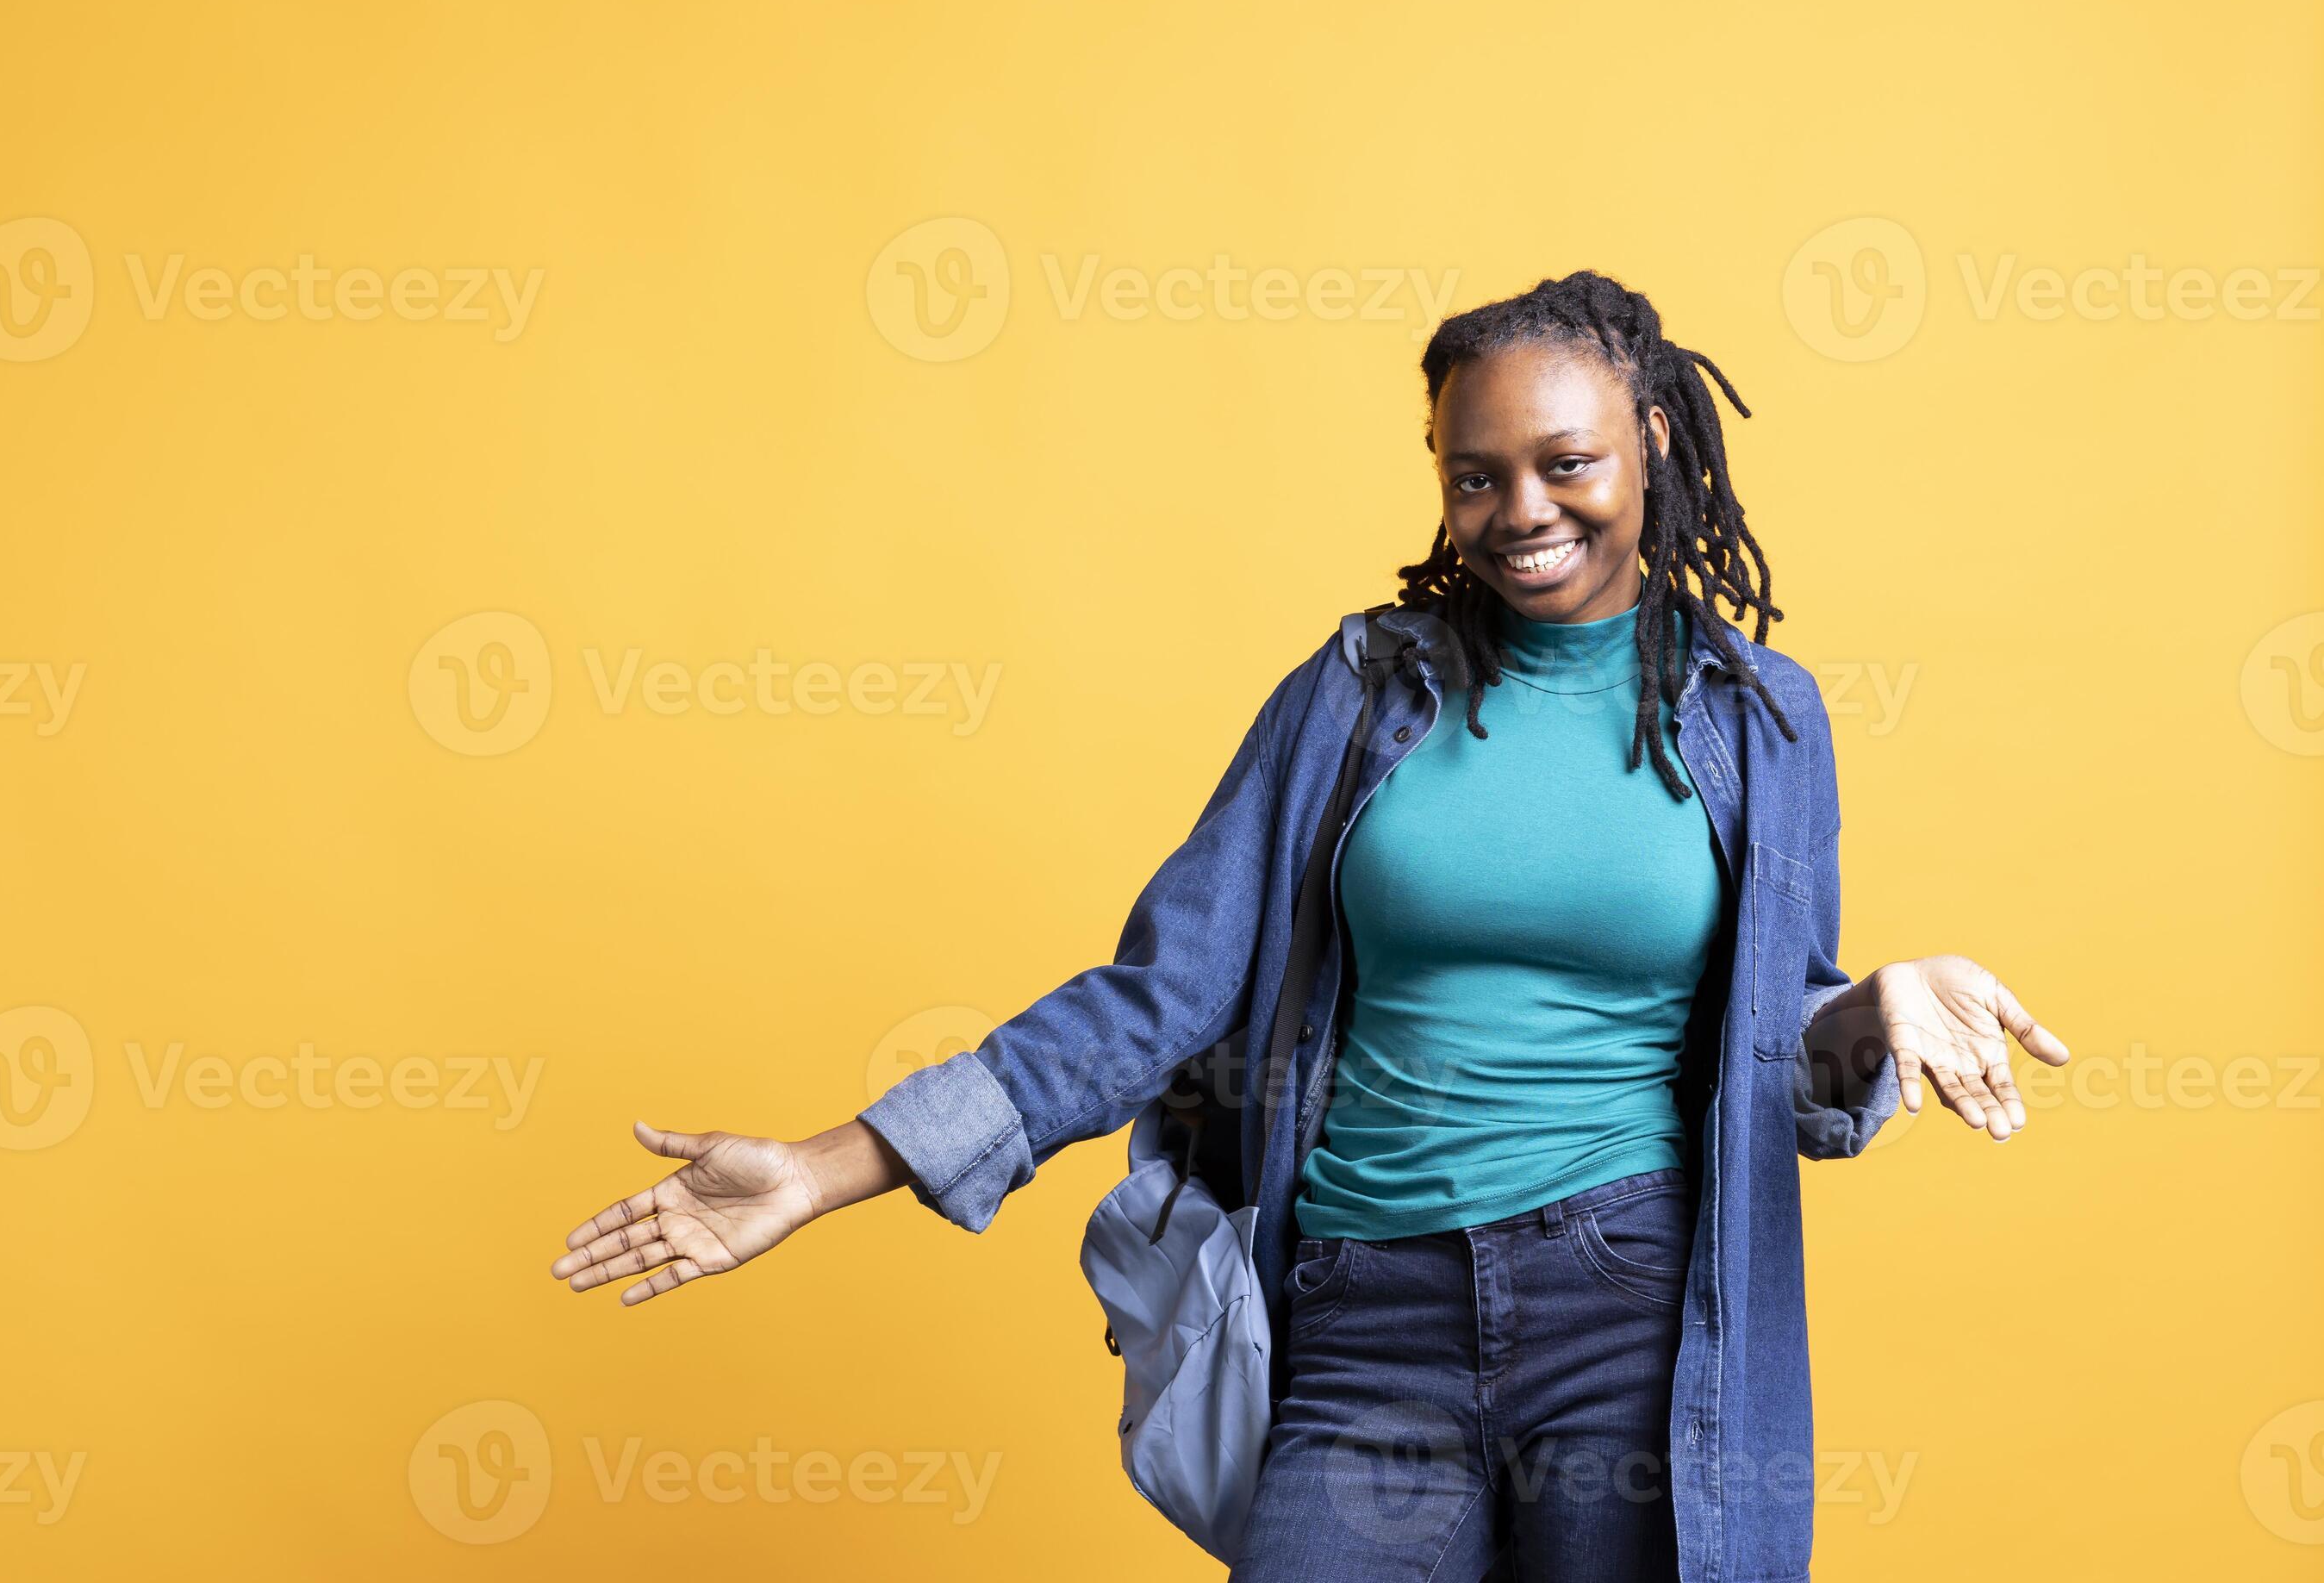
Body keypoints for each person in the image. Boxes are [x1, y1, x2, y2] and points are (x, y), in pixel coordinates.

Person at [547, 271, 2069, 1581]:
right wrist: (823, 1170)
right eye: (1476, 475)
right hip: (1366, 1314)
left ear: (1653, 442)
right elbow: (1157, 998)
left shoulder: (1759, 724)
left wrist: (1862, 1011)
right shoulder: (1357, 697)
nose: (1520, 512)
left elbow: (1774, 1056)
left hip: (1634, 1312)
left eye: (1565, 462)